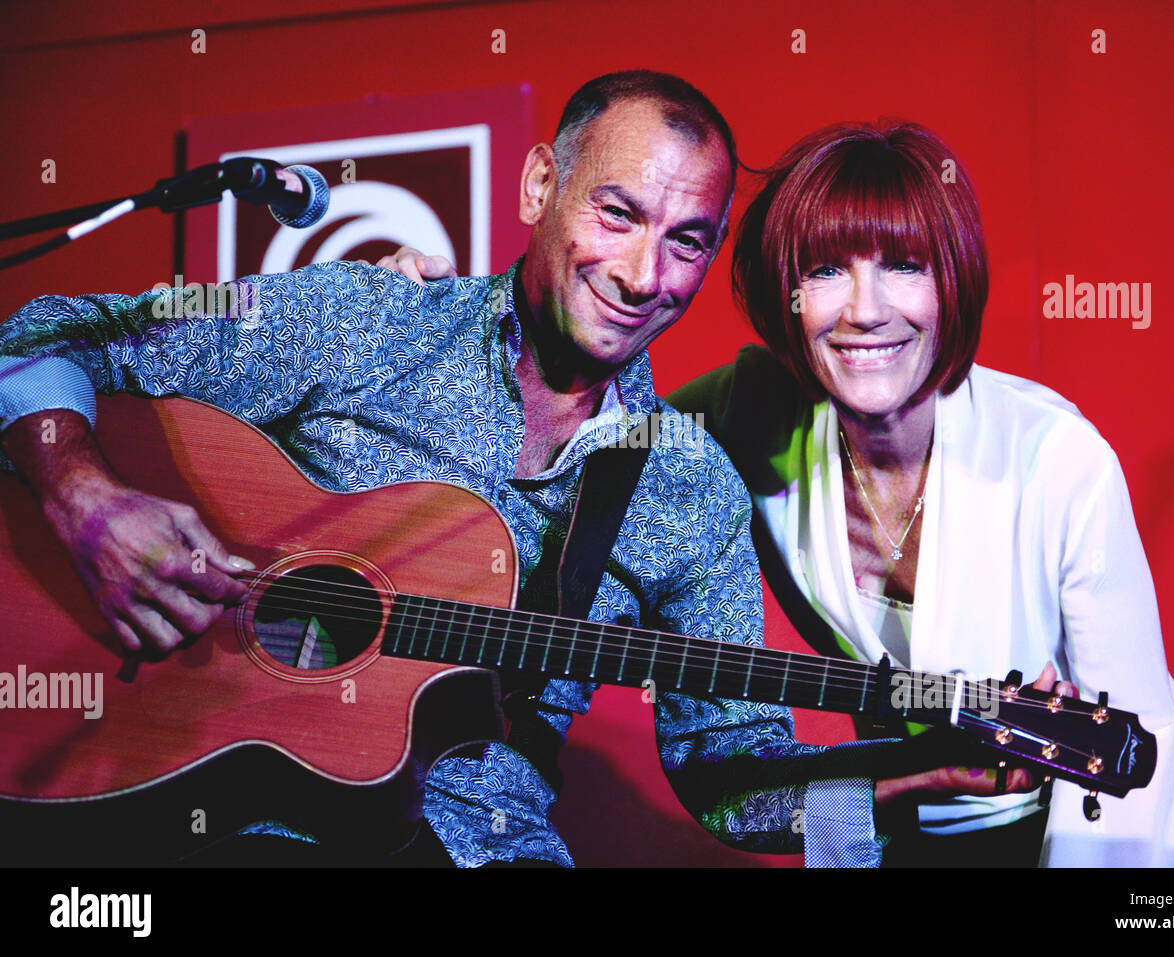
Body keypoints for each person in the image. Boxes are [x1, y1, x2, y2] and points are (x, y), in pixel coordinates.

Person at [0, 71, 901, 867]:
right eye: (618, 214)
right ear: (541, 185)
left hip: (488, 842)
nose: (642, 273)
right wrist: (88, 502)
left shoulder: (691, 487)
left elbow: (727, 773)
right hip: (228, 814)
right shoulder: (373, 319)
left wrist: (896, 790)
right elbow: (45, 336)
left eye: (688, 241)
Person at [382, 118, 1174, 868]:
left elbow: (1140, 744)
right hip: (924, 805)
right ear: (786, 294)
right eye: (825, 270)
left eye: (904, 266)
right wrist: (424, 328)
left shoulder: (1059, 460)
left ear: (953, 281)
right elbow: (587, 428)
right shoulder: (744, 418)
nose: (865, 310)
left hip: (1115, 788)